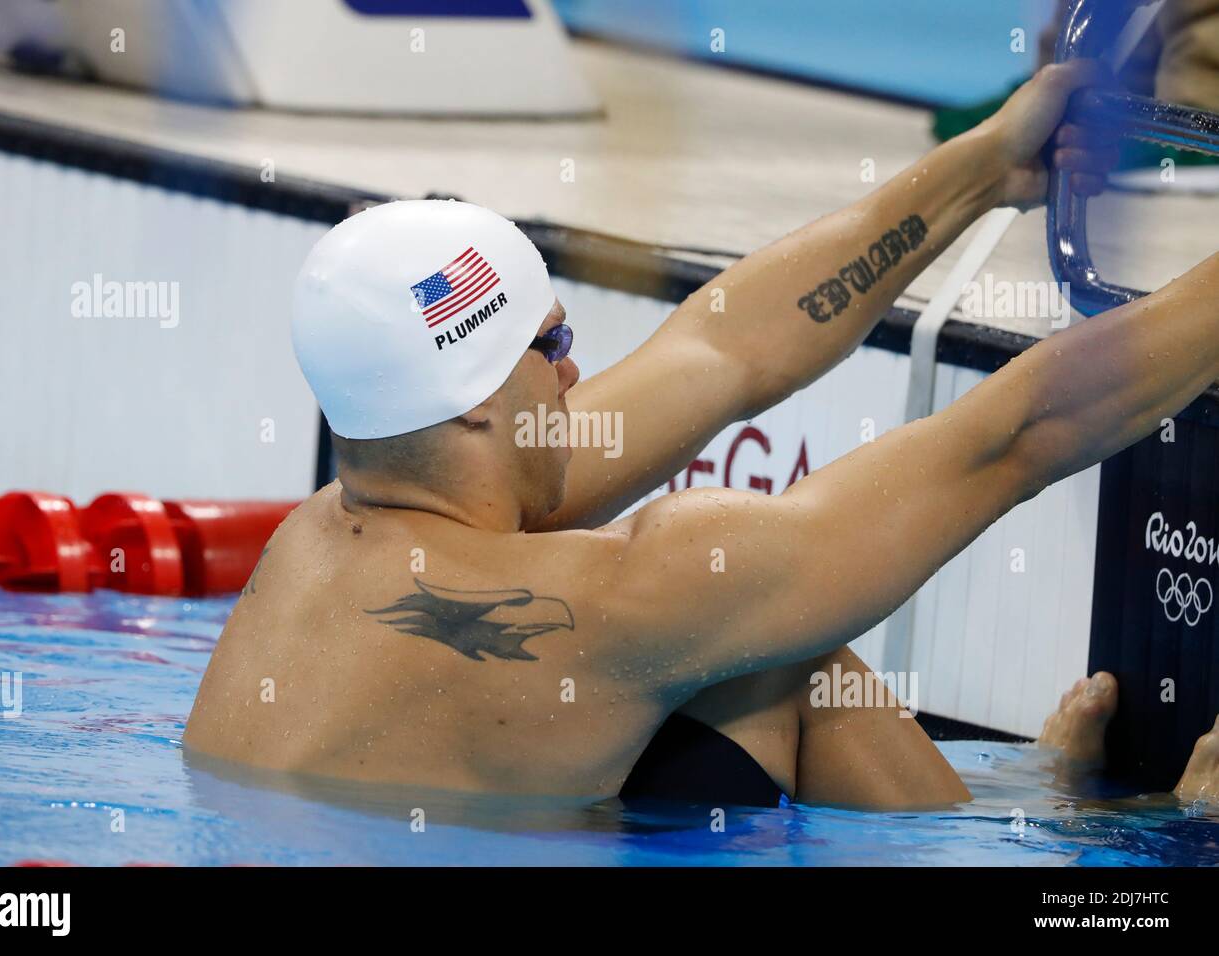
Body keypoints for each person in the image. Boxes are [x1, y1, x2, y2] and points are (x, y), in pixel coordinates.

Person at [184, 60, 1219, 811]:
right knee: (788, 654)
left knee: (752, 672)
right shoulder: (629, 598)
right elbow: (1012, 437)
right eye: (552, 342)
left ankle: (1036, 790)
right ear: (473, 401)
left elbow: (721, 352)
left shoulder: (312, 538)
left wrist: (982, 168)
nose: (577, 369)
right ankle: (1119, 829)